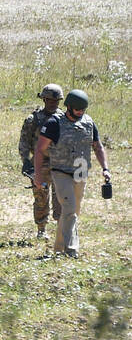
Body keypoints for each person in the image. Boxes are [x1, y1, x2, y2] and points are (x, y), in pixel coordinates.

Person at [33, 89, 111, 258]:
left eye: (83, 110)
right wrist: (38, 176)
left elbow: (97, 146)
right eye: (77, 109)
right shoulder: (54, 123)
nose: (80, 113)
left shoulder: (89, 123)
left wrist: (105, 168)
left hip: (81, 171)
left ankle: (59, 249)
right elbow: (40, 149)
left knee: (74, 211)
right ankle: (71, 250)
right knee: (68, 208)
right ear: (68, 107)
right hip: (61, 172)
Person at [20, 83, 64, 239]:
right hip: (40, 165)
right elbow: (24, 141)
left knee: (61, 198)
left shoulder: (63, 118)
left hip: (59, 164)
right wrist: (25, 160)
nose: (54, 104)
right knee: (41, 198)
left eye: (56, 101)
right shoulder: (33, 119)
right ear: (44, 100)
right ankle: (41, 229)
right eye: (51, 101)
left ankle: (61, 228)